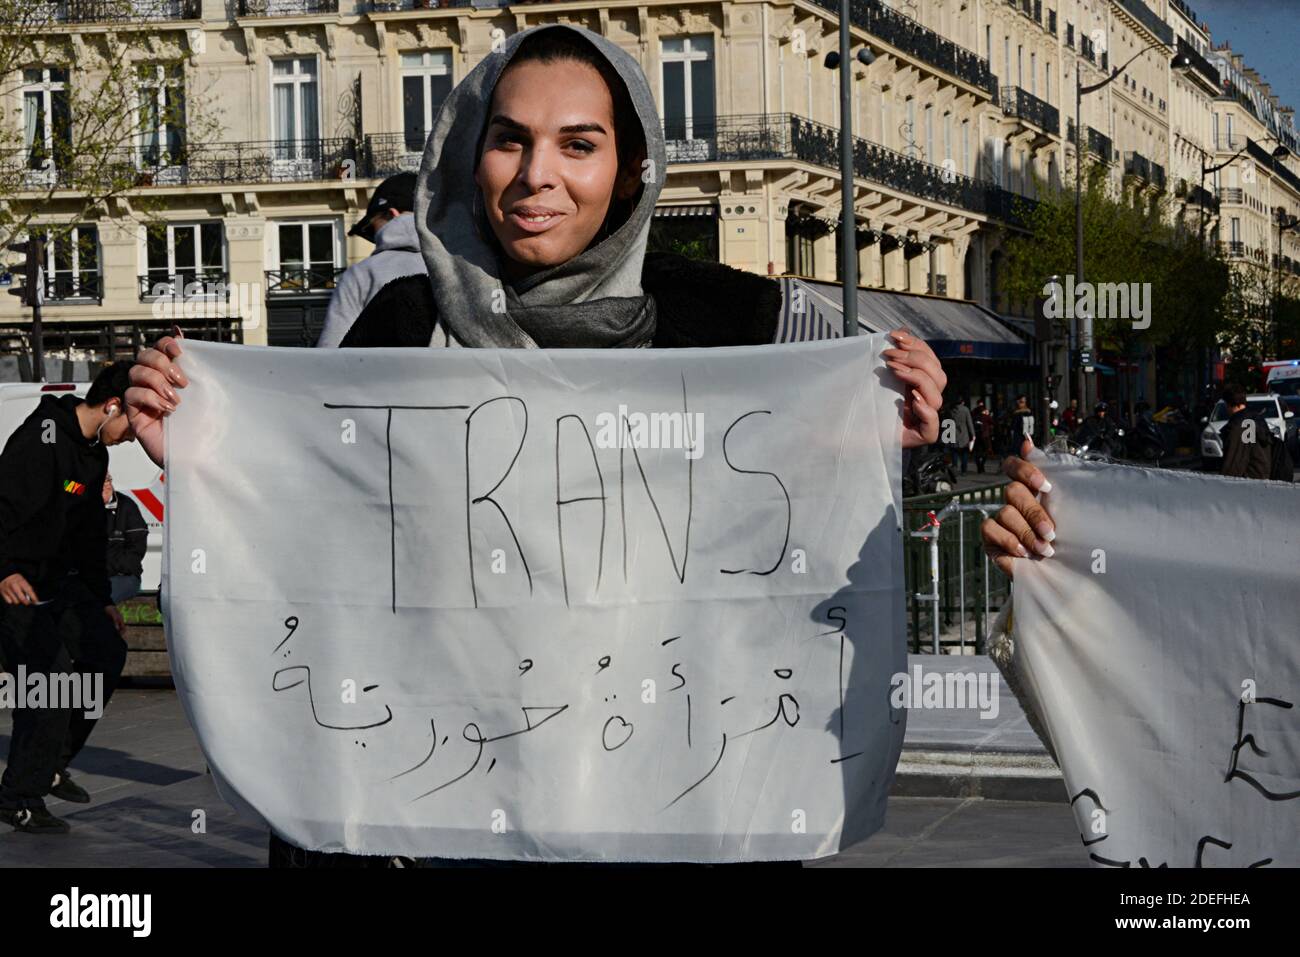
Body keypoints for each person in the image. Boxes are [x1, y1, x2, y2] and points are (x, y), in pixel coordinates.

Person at [126, 24, 949, 867]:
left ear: (632, 168)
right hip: (439, 807)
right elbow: (321, 545)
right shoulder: (405, 327)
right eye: (508, 140)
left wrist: (883, 446)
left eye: (578, 145)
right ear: (467, 154)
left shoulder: (738, 330)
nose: (535, 175)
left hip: (666, 805)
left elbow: (796, 554)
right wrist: (200, 458)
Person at [0, 361, 135, 834]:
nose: (133, 437)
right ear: (113, 405)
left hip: (61, 584)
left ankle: (52, 764)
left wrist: (102, 599)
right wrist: (4, 572)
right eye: (131, 426)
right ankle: (20, 796)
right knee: (49, 679)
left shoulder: (95, 456)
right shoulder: (40, 439)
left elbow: (87, 535)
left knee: (107, 651)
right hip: (15, 583)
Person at [313, 172, 426, 348]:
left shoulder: (361, 275)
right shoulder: (459, 266)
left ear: (392, 214)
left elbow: (331, 355)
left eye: (372, 227)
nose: (374, 238)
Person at [103, 473, 148, 605]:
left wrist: (105, 568)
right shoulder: (82, 502)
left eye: (106, 481)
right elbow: (64, 484)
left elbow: (134, 553)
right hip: (89, 578)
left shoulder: (127, 506)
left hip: (122, 576)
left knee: (99, 600)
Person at [1218, 384, 1273, 480]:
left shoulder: (1237, 424)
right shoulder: (1257, 419)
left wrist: (1224, 481)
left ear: (1228, 404)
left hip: (1246, 480)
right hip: (1262, 474)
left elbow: (1235, 457)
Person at [949, 396, 974, 475]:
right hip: (964, 434)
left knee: (954, 452)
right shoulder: (965, 410)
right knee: (964, 453)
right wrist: (973, 434)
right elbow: (969, 423)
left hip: (953, 433)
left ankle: (955, 467)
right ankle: (964, 470)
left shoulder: (951, 410)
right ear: (962, 402)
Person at [973, 399, 994, 474]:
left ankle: (979, 466)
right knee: (985, 451)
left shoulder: (974, 414)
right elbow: (992, 422)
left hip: (977, 435)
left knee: (977, 452)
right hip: (985, 436)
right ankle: (982, 465)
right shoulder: (985, 416)